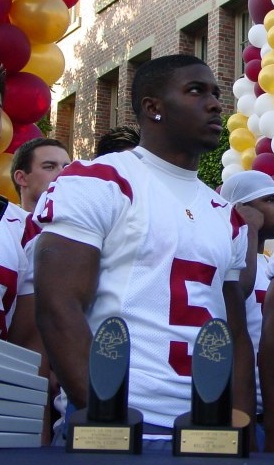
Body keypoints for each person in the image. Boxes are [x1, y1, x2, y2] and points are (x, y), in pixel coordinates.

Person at [33, 54, 255, 447]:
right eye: (195, 90)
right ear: (153, 107)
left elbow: (235, 334)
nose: (215, 103)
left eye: (217, 94)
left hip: (206, 431)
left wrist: (237, 426)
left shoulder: (226, 214)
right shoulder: (99, 180)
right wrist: (107, 421)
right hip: (124, 424)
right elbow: (58, 306)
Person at [220, 170, 274, 451]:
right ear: (243, 208)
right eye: (270, 200)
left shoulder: (269, 264)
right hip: (238, 405)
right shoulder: (225, 263)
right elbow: (240, 290)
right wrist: (247, 230)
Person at [10, 137, 71, 213]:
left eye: (66, 167)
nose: (63, 173)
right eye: (50, 167)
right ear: (21, 178)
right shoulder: (4, 223)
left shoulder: (83, 223)